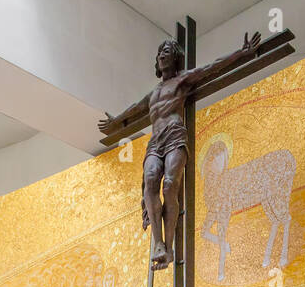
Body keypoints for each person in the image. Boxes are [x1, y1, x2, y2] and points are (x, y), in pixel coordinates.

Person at [99, 32, 262, 271]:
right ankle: (158, 244)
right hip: (155, 142)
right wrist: (116, 121)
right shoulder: (152, 94)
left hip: (175, 134)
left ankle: (170, 247)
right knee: (151, 179)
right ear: (157, 61)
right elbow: (134, 110)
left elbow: (212, 67)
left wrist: (242, 52)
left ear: (175, 58)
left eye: (167, 52)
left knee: (170, 185)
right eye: (160, 53)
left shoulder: (182, 81)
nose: (163, 55)